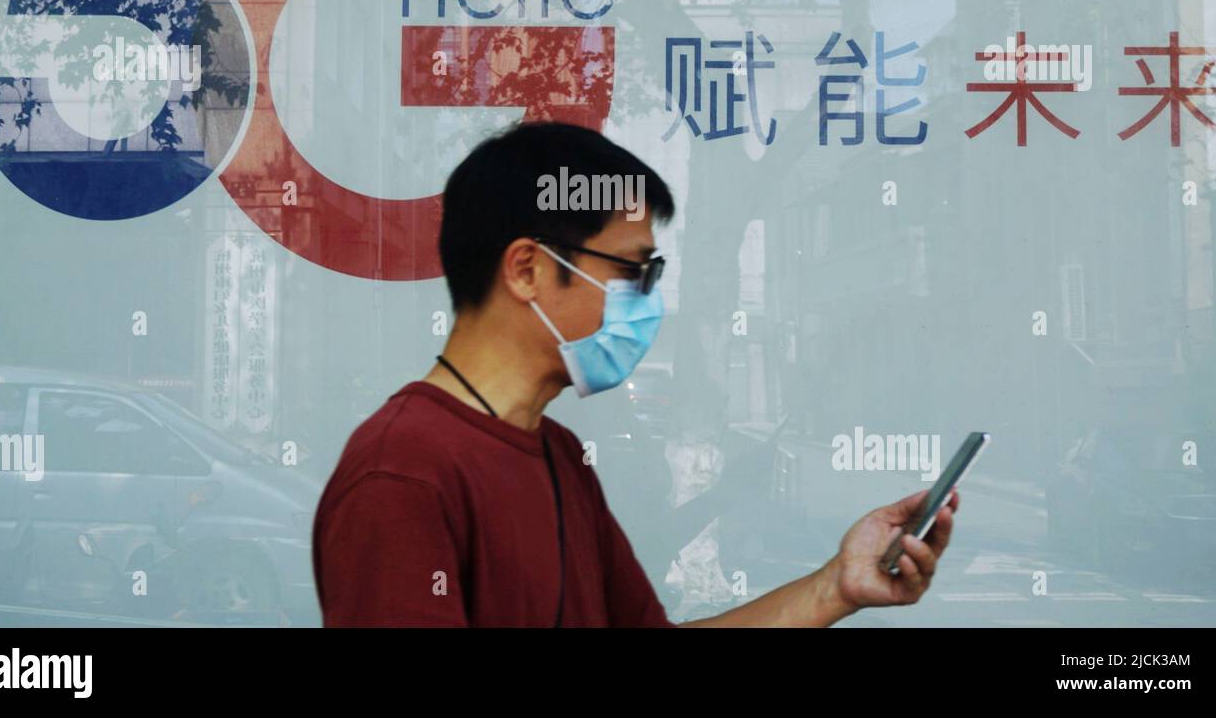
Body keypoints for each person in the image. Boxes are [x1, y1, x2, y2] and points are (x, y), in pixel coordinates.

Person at [311, 120, 958, 626]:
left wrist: (836, 585)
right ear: (527, 269)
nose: (649, 298)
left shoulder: (559, 455)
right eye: (634, 270)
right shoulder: (401, 475)